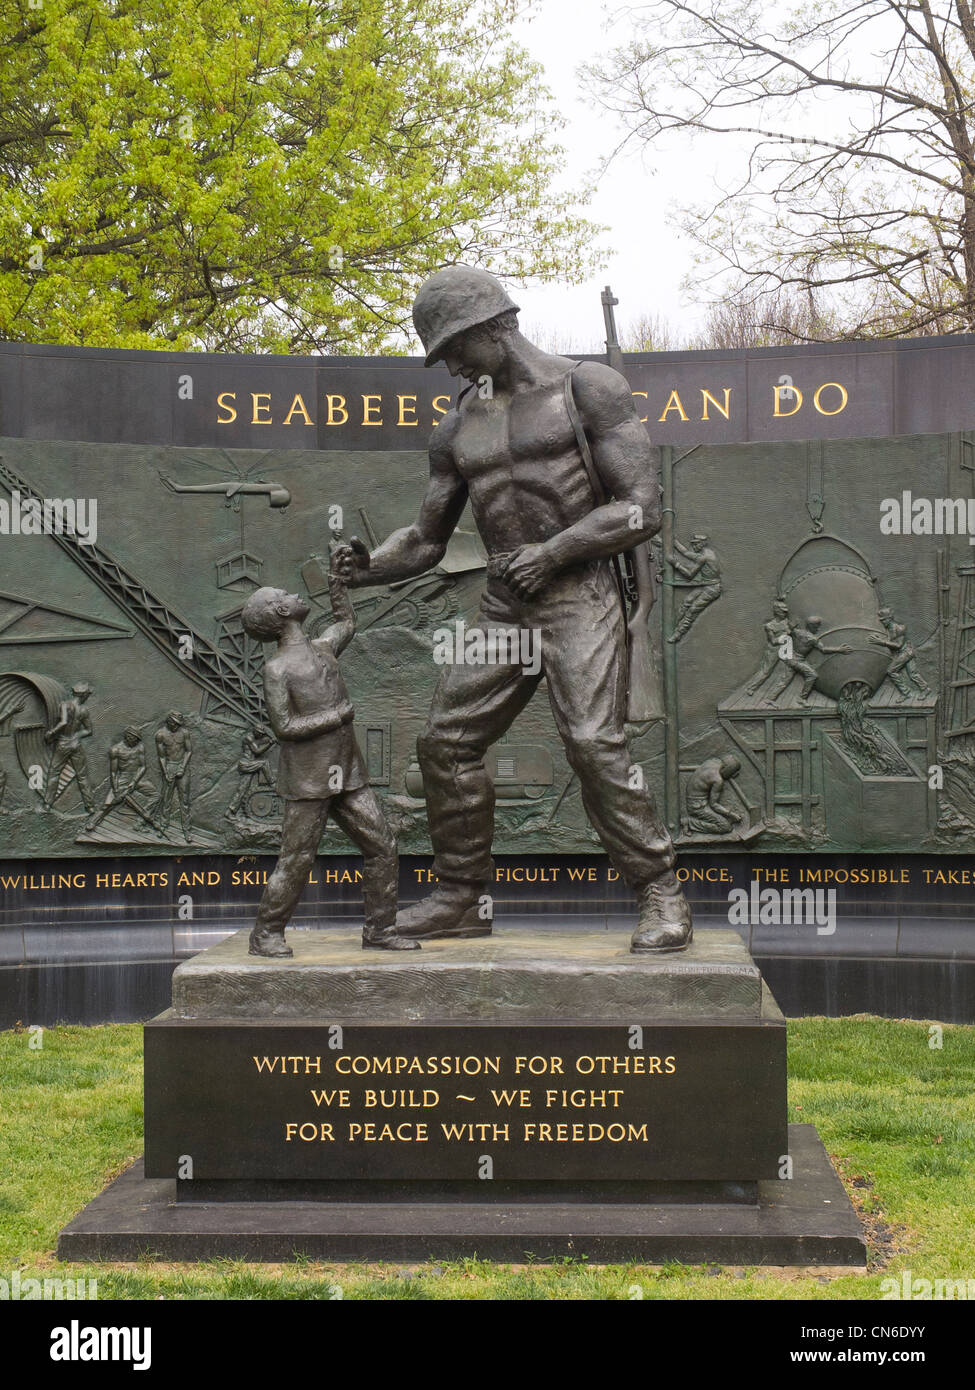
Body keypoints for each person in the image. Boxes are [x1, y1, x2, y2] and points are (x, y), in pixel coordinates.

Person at [333, 265, 691, 954]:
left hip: (578, 594)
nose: (450, 368)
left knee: (592, 743)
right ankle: (461, 898)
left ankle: (658, 892)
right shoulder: (457, 425)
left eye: (455, 350)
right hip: (504, 605)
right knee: (445, 744)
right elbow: (427, 540)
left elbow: (640, 508)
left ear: (496, 326)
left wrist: (554, 552)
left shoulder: (587, 388)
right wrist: (371, 566)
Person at [240, 563, 417, 956]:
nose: (295, 595)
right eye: (285, 595)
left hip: (347, 772)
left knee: (383, 847)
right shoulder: (277, 668)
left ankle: (380, 931)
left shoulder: (323, 647)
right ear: (280, 612)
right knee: (297, 858)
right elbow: (284, 726)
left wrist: (338, 584)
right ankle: (266, 933)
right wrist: (336, 715)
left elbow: (346, 622)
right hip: (309, 778)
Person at [44, 681, 95, 813]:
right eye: (87, 695)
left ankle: (47, 804)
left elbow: (64, 722)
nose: (88, 697)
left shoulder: (65, 705)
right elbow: (89, 730)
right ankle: (90, 806)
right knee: (82, 776)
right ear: (83, 695)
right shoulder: (84, 710)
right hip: (75, 744)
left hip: (63, 743)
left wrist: (51, 733)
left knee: (54, 773)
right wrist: (76, 736)